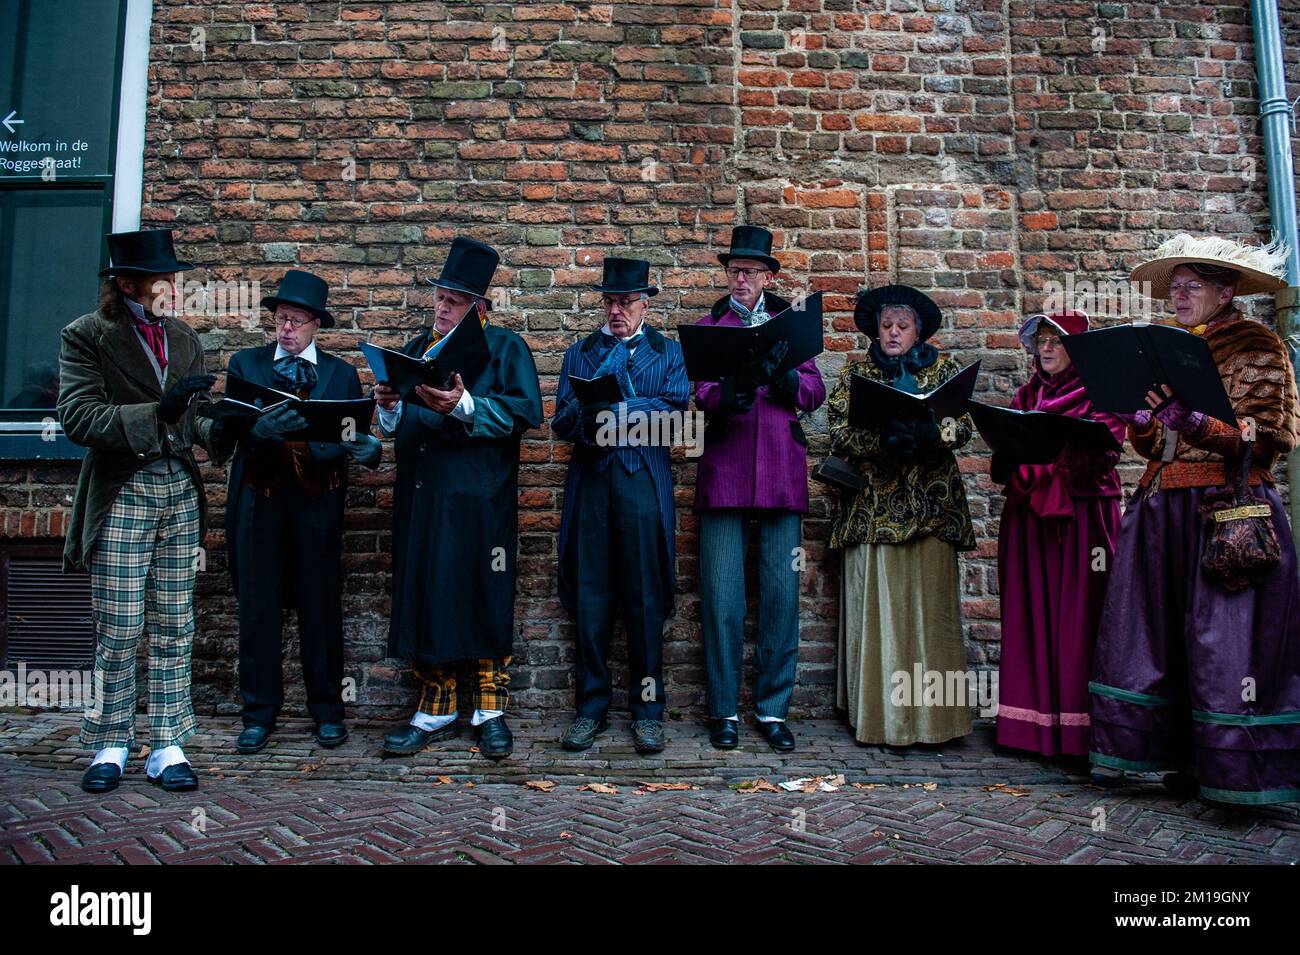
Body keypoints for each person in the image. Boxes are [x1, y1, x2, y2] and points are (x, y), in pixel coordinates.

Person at [1090, 234, 1300, 805]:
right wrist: (1144, 423)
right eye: (1174, 287)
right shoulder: (1172, 347)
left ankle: (1235, 772)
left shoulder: (1259, 346)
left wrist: (1202, 423)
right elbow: (1158, 446)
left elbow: (1269, 438)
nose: (1178, 296)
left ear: (1225, 290)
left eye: (1191, 286)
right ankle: (1173, 757)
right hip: (1162, 510)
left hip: (1225, 512)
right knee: (1156, 635)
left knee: (1224, 645)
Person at [59, 228, 235, 794]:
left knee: (175, 623)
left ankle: (167, 743)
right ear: (128, 283)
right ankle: (111, 742)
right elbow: (79, 418)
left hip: (180, 492)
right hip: (124, 489)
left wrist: (227, 428)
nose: (173, 288)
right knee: (120, 623)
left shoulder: (183, 339)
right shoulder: (87, 336)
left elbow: (195, 420)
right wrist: (155, 411)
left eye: (174, 278)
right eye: (162, 279)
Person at [376, 237, 542, 761]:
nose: (442, 308)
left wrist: (464, 404)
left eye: (454, 301)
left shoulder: (507, 348)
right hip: (424, 497)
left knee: (482, 594)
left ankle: (490, 711)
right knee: (430, 594)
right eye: (440, 297)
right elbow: (396, 422)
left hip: (480, 500)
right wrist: (386, 406)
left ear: (479, 308)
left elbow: (522, 415)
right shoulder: (416, 346)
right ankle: (436, 707)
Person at [224, 269, 382, 755]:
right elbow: (227, 431)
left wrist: (350, 445)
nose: (286, 328)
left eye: (296, 320)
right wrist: (257, 432)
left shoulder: (339, 373)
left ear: (316, 323)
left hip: (318, 503)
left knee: (320, 607)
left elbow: (352, 434)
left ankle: (328, 712)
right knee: (259, 608)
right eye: (280, 319)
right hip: (261, 498)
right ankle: (259, 713)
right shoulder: (246, 364)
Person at [691, 226, 825, 752]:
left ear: (769, 277)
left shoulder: (791, 327)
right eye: (733, 271)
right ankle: (723, 710)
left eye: (749, 271)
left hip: (780, 474)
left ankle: (772, 711)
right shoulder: (711, 325)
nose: (740, 278)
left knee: (780, 595)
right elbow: (698, 393)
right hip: (724, 471)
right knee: (722, 599)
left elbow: (813, 392)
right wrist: (733, 389)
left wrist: (785, 378)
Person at [552, 257, 689, 754]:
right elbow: (561, 421)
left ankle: (648, 710)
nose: (616, 310)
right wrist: (591, 413)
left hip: (642, 486)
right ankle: (590, 708)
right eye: (610, 301)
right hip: (592, 482)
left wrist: (620, 408)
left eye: (626, 302)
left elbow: (674, 413)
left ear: (644, 305)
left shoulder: (668, 353)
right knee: (591, 601)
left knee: (644, 599)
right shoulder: (580, 353)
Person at [827, 285, 975, 746]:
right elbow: (837, 430)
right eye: (886, 325)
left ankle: (937, 723)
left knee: (930, 614)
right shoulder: (857, 375)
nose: (893, 333)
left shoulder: (944, 370)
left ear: (917, 332)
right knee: (882, 614)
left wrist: (930, 433)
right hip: (874, 510)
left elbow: (964, 426)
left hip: (932, 508)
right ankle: (880, 718)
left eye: (902, 326)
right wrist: (882, 440)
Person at [992, 309, 1125, 758]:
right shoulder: (1025, 395)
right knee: (1030, 612)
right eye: (1041, 340)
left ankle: (1080, 733)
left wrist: (1053, 463)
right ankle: (1028, 729)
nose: (1046, 348)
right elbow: (1005, 454)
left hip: (1083, 518)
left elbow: (1102, 453)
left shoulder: (1103, 393)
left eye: (1058, 341)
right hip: (1030, 517)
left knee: (1080, 617)